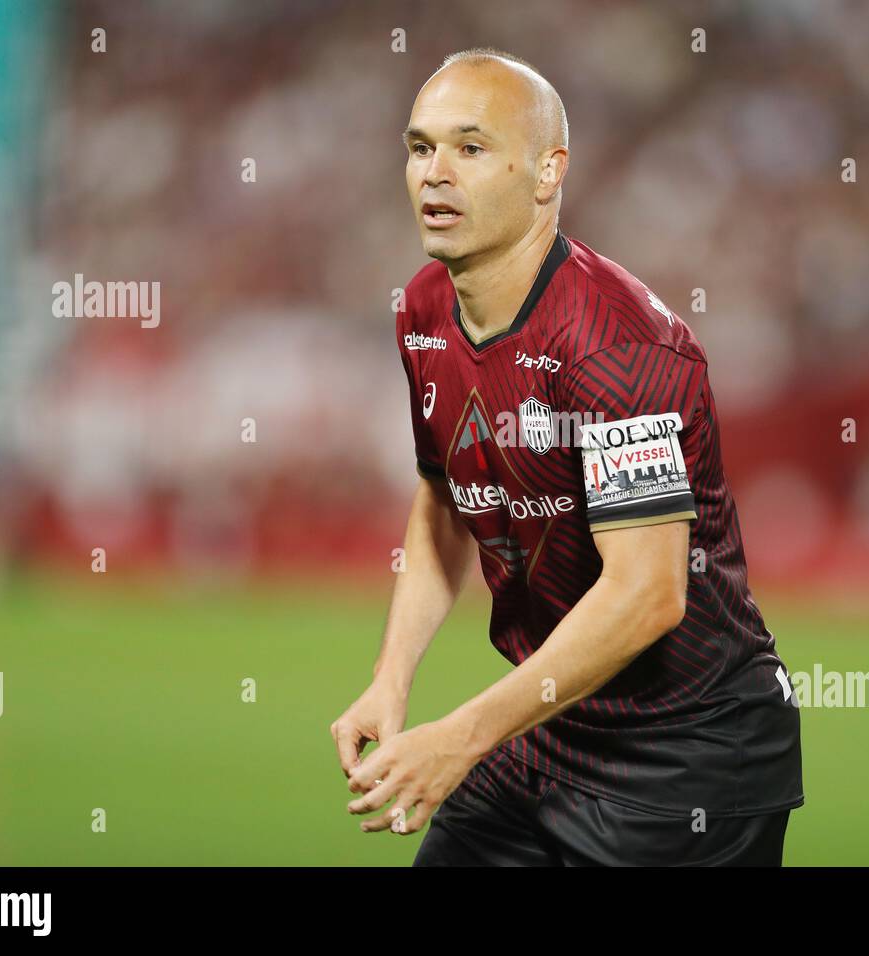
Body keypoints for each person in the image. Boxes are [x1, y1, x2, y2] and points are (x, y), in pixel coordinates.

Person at [331, 47, 803, 866]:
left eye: (470, 149)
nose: (434, 174)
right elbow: (447, 500)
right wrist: (392, 677)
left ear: (548, 172)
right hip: (549, 731)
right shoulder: (422, 309)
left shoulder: (616, 344)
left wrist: (463, 735)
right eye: (420, 148)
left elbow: (647, 595)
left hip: (687, 760)